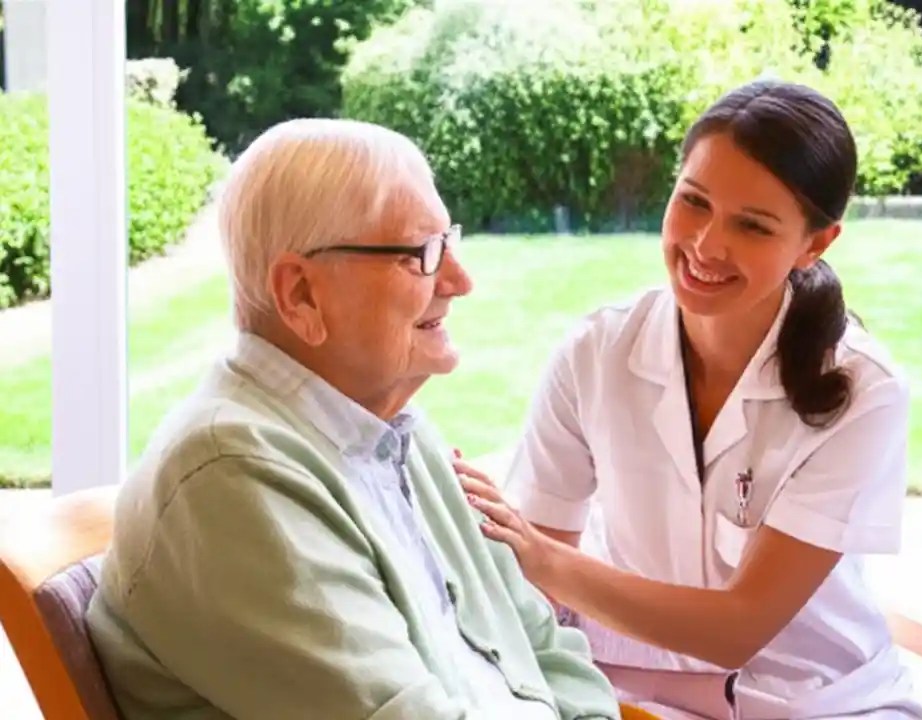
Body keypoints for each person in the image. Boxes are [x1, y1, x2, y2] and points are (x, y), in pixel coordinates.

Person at [85, 118, 622, 720]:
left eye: (451, 241)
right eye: (422, 254)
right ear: (300, 295)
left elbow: (547, 650)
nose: (460, 280)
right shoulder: (230, 479)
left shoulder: (392, 436)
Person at [457, 80, 922, 719]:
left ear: (815, 244)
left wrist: (544, 559)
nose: (706, 246)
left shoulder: (862, 391)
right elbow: (531, 584)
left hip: (819, 703)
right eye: (693, 202)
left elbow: (737, 628)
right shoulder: (597, 352)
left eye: (753, 226)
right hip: (639, 687)